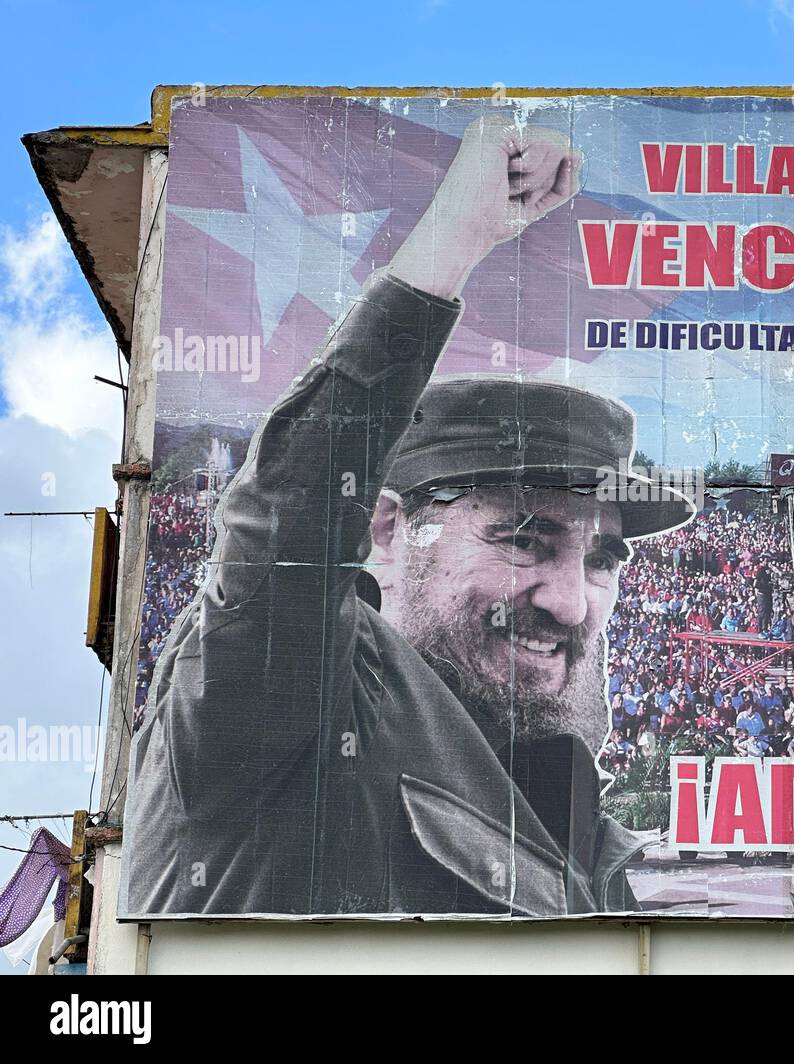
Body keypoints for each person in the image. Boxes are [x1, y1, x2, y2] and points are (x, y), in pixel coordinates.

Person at [124, 115, 695, 918]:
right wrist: (451, 244)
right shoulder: (297, 701)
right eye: (525, 539)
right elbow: (291, 513)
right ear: (383, 531)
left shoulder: (575, 824)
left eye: (601, 560)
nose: (572, 603)